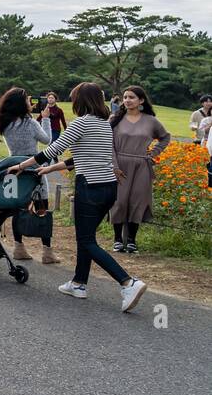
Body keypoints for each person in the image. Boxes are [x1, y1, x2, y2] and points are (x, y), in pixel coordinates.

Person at [12, 82, 147, 312]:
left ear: (81, 101)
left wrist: (21, 165)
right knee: (87, 238)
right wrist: (49, 170)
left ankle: (127, 282)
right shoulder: (104, 125)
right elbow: (78, 159)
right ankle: (78, 283)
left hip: (90, 187)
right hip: (108, 188)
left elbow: (50, 151)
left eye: (74, 99)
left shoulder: (81, 123)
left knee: (86, 240)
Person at [0, 86, 58, 265]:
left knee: (18, 209)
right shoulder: (30, 123)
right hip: (34, 167)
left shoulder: (5, 122)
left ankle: (18, 247)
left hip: (13, 166)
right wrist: (45, 119)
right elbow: (47, 140)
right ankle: (47, 252)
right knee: (42, 206)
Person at [110, 85, 171, 254]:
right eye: (125, 97)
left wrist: (154, 153)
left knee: (137, 202)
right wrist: (114, 165)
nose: (127, 100)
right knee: (119, 202)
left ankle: (131, 241)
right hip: (119, 165)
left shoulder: (150, 120)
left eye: (131, 97)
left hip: (142, 166)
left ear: (141, 100)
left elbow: (165, 137)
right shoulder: (115, 119)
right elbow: (109, 145)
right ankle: (117, 240)